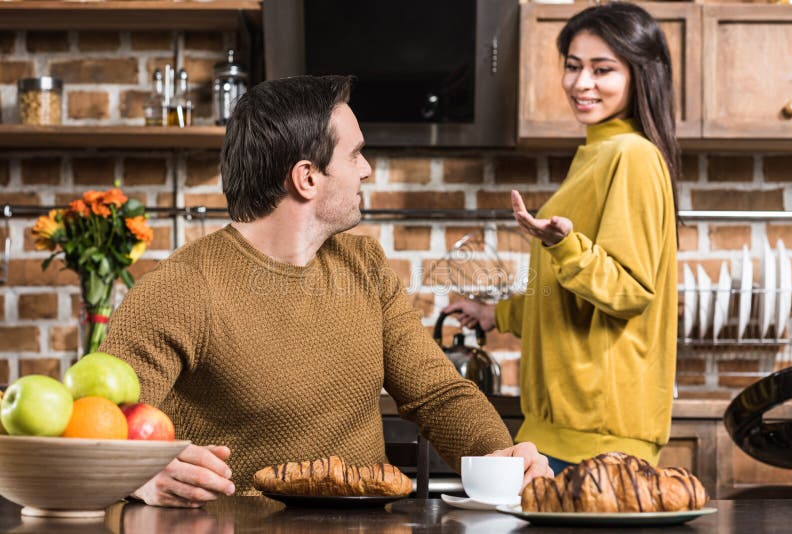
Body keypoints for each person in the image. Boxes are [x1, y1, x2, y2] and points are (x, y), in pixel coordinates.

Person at [100, 75, 551, 507]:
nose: (368, 170)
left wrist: (502, 457)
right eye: (356, 155)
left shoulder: (365, 266)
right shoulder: (182, 287)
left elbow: (437, 395)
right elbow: (96, 424)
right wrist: (137, 475)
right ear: (307, 178)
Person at [445, 2, 679, 475]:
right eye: (572, 67)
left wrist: (564, 245)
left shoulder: (631, 156)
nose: (581, 83)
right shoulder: (598, 152)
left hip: (597, 435)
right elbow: (568, 302)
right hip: (561, 426)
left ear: (639, 73)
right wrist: (498, 314)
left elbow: (630, 291)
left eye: (602, 69)